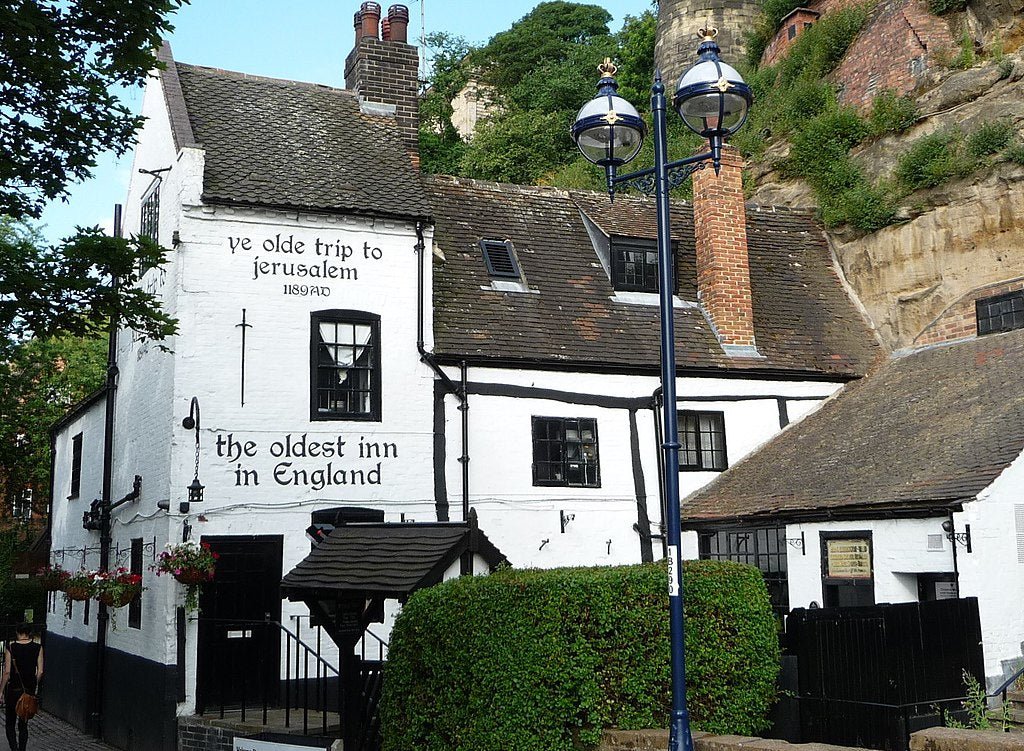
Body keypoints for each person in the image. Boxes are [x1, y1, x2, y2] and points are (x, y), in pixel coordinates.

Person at [0, 624, 43, 751]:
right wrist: (33, 684)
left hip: (13, 690)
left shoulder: (11, 648)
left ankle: (14, 748)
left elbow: (7, 672)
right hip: (28, 691)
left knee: (10, 723)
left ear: (17, 632)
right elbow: (40, 671)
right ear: (29, 633)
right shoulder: (38, 647)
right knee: (24, 723)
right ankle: (22, 749)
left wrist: (1, 691)